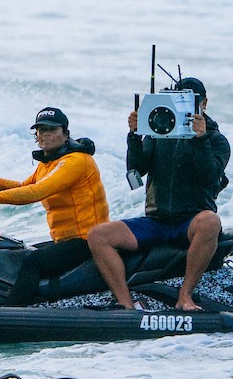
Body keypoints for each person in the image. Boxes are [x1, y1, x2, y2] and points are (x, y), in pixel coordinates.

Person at [88, 77, 231, 311]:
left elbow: (209, 175)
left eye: (191, 102)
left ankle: (185, 296)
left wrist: (200, 139)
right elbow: (137, 169)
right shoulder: (159, 133)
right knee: (98, 235)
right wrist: (134, 135)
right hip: (157, 220)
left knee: (210, 221)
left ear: (203, 103)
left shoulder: (216, 140)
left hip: (190, 220)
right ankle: (125, 302)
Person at [0, 106, 109, 304]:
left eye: (52, 130)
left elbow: (36, 192)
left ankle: (13, 312)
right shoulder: (48, 163)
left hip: (86, 241)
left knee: (33, 261)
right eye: (41, 130)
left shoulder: (76, 161)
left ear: (65, 133)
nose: (45, 135)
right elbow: (24, 186)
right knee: (21, 253)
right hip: (65, 241)